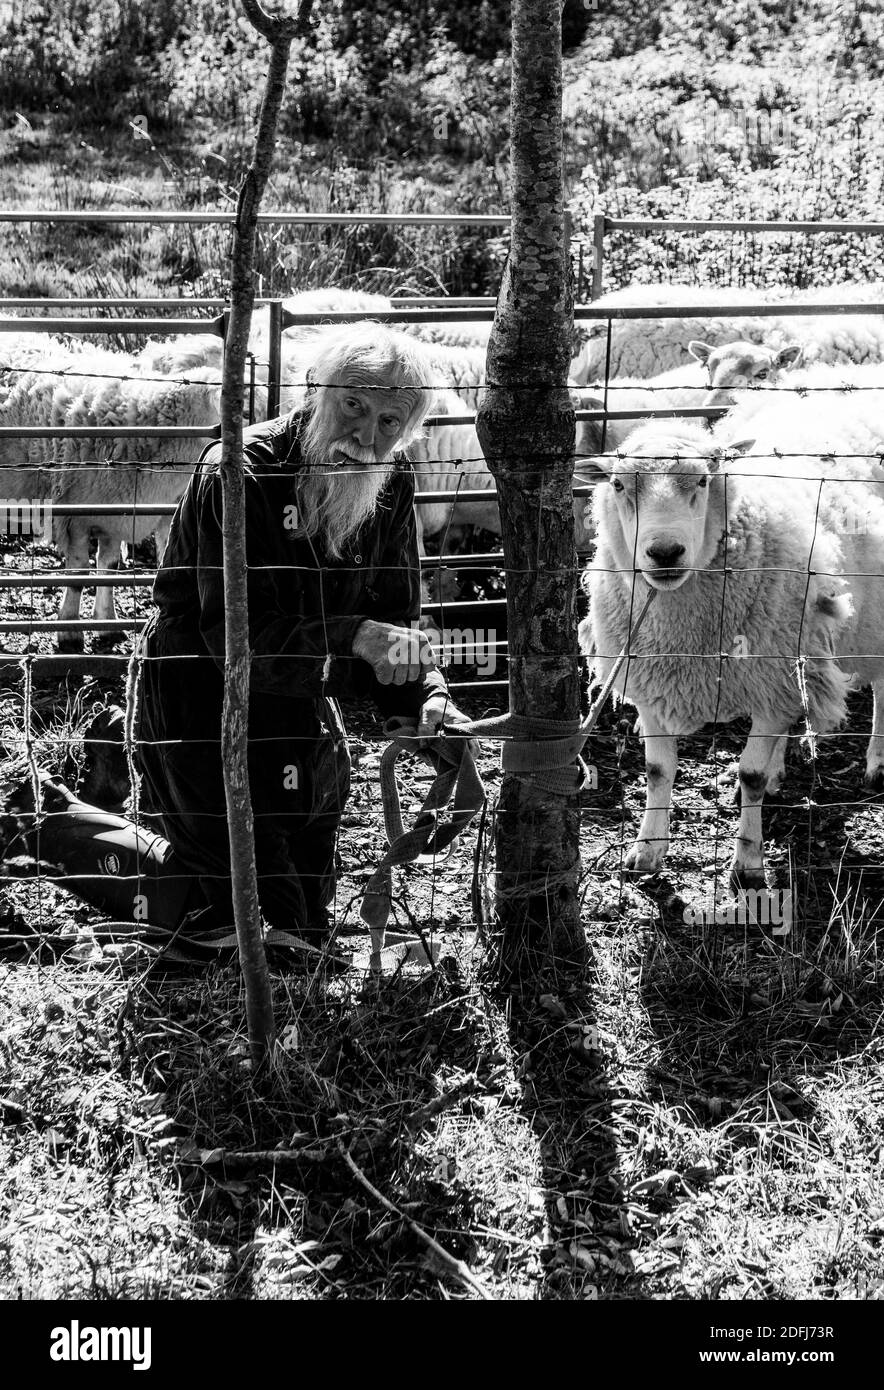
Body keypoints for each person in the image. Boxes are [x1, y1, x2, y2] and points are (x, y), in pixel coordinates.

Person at [130, 320, 470, 960]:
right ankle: (82, 843)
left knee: (309, 922)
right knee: (261, 931)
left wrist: (426, 698)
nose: (366, 436)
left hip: (302, 707)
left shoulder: (391, 483)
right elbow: (229, 634)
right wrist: (356, 636)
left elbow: (396, 615)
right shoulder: (239, 471)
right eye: (354, 407)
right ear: (317, 389)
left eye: (390, 423)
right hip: (203, 705)